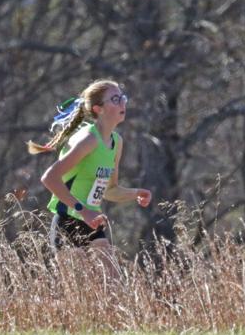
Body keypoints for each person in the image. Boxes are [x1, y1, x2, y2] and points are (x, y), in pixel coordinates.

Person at [28, 79, 152, 276]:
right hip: (68, 221)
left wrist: (136, 193)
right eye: (115, 99)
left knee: (113, 288)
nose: (122, 103)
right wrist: (83, 210)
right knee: (83, 298)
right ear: (98, 109)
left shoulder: (116, 142)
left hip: (92, 222)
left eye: (122, 98)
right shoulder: (89, 139)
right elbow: (49, 178)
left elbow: (110, 190)